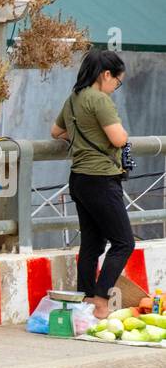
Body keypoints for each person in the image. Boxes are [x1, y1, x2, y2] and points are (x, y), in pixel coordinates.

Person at [51, 50, 133, 320]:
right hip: (101, 179)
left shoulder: (73, 98)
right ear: (105, 74)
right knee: (123, 242)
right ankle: (100, 300)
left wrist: (82, 136)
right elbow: (119, 139)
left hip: (79, 179)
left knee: (92, 244)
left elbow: (56, 132)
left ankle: (84, 300)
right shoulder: (100, 100)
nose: (115, 87)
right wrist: (119, 133)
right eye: (117, 82)